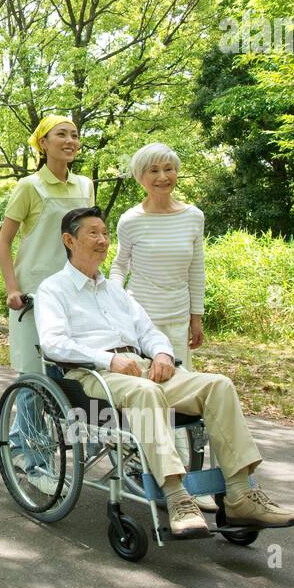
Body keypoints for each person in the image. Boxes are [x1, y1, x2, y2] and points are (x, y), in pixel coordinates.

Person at [33, 206, 294, 537]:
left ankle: (240, 495)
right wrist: (109, 360)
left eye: (105, 233)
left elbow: (148, 331)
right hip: (92, 376)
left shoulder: (116, 291)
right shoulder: (53, 289)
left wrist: (162, 353)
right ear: (69, 240)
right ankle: (177, 497)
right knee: (146, 392)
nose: (103, 240)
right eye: (93, 233)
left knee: (218, 385)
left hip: (142, 367)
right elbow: (53, 344)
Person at [110, 143, 209, 508]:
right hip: (140, 318)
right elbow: (119, 266)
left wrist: (196, 318)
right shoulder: (130, 220)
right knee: (152, 394)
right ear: (140, 178)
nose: (163, 177)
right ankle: (161, 476)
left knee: (180, 396)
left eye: (169, 169)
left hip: (179, 316)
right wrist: (113, 297)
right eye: (153, 171)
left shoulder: (193, 216)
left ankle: (185, 479)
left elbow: (196, 270)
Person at [0, 116, 93, 485]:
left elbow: (87, 237)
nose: (69, 140)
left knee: (71, 376)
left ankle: (23, 444)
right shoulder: (29, 186)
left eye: (74, 135)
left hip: (73, 294)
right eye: (61, 135)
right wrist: (11, 288)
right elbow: (4, 241)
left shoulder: (85, 185)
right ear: (43, 143)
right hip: (33, 297)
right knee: (35, 377)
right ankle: (36, 464)